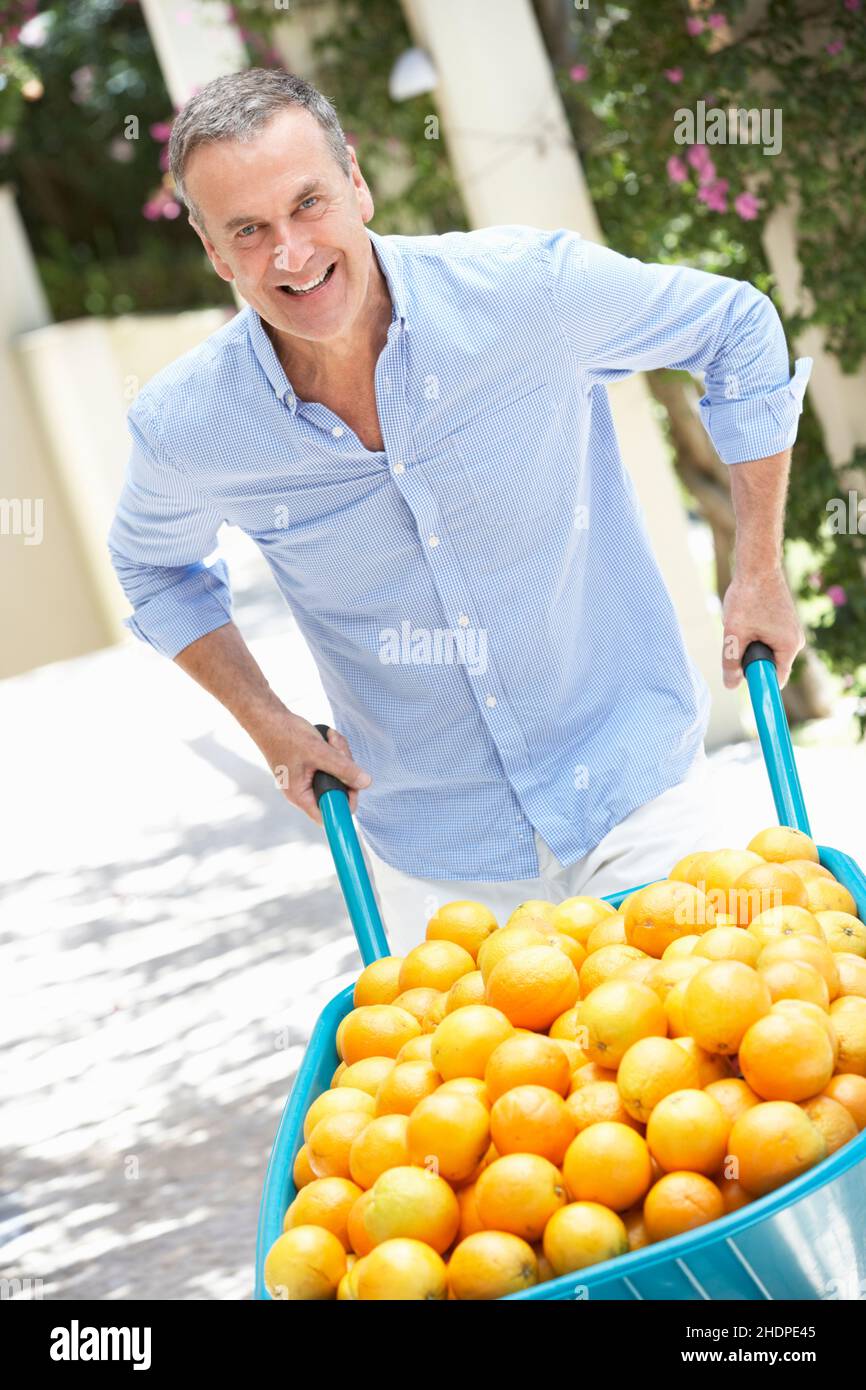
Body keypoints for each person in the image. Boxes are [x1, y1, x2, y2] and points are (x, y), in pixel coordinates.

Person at [108, 68, 808, 954]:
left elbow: (737, 329)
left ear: (356, 184)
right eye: (249, 230)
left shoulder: (525, 293)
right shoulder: (191, 426)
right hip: (437, 866)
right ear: (213, 252)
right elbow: (152, 566)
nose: (290, 253)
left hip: (639, 797)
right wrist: (270, 723)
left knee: (707, 1070)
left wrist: (759, 574)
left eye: (309, 204)